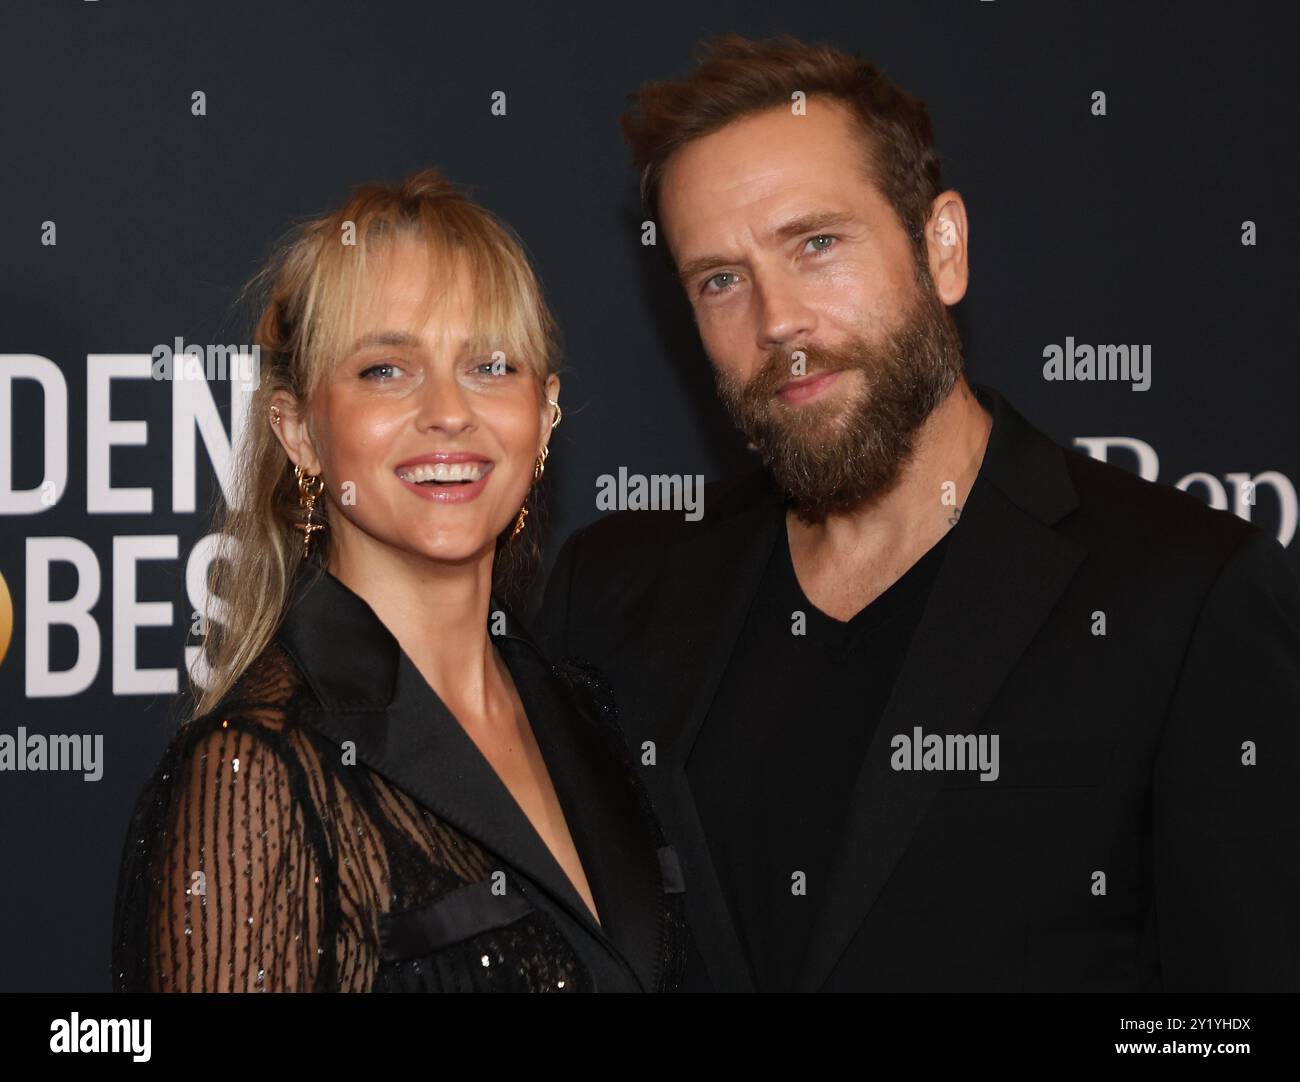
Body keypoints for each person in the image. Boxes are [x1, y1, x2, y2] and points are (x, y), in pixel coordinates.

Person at [536, 34, 1300, 991]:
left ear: (943, 247)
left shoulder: (1187, 594)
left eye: (817, 244)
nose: (777, 322)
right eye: (720, 280)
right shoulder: (611, 590)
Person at [111, 168, 686, 993]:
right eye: (386, 368)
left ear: (545, 414)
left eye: (491, 365)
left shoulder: (585, 708)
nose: (449, 411)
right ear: (299, 431)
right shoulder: (255, 773)